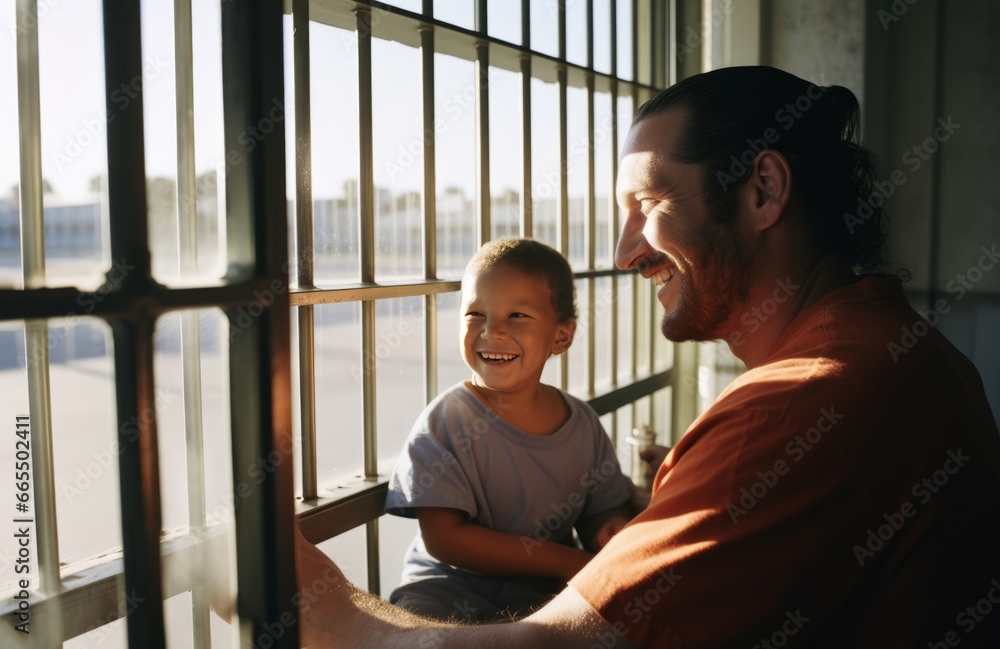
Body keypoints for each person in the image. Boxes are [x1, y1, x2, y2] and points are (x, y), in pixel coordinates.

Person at [293, 66, 1000, 647]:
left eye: (648, 202)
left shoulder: (803, 401)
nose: (625, 252)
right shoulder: (905, 352)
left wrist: (306, 590)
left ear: (764, 189)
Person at [383, 238, 637, 622]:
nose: (492, 331)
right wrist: (561, 559)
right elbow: (444, 539)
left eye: (517, 315)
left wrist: (610, 530)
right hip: (447, 589)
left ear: (561, 336)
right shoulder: (447, 420)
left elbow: (598, 514)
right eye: (475, 315)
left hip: (546, 593)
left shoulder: (582, 423)